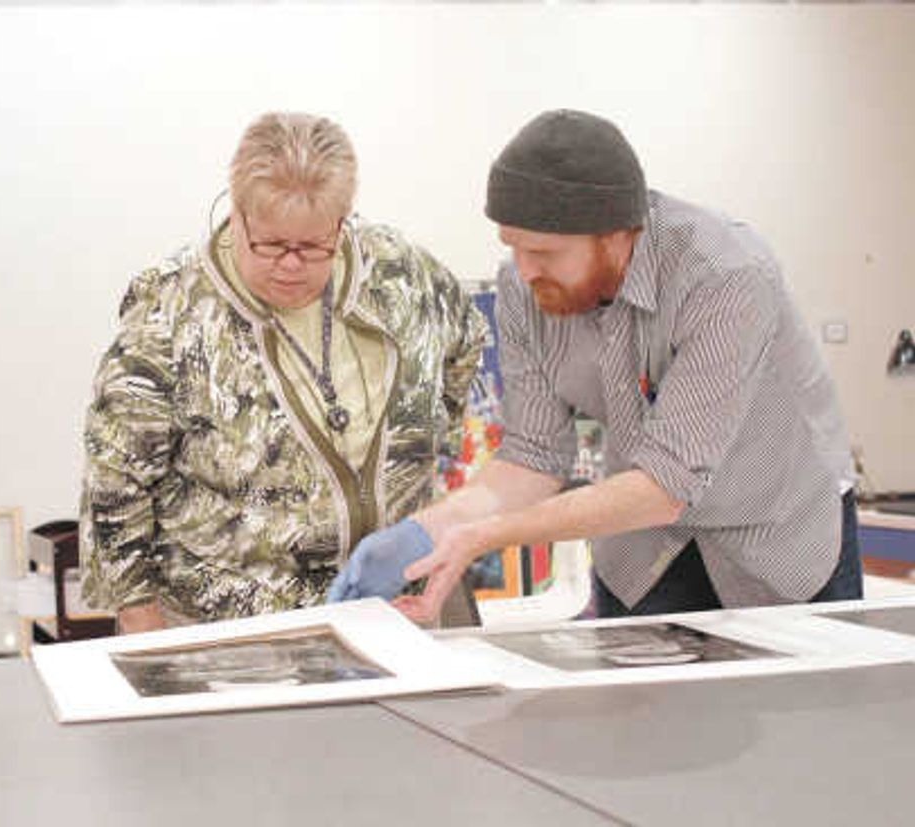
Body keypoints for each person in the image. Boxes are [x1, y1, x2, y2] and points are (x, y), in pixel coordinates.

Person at [329, 109, 860, 620]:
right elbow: (533, 458)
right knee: (641, 711)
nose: (524, 270)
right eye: (514, 247)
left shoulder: (726, 277)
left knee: (792, 710)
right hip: (647, 554)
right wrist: (427, 531)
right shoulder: (523, 291)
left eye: (545, 252)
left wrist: (483, 536)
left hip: (775, 536)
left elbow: (664, 487)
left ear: (616, 234)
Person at [81, 111, 486, 633]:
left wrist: (425, 453)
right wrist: (141, 624)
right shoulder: (172, 307)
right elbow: (116, 476)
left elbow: (465, 346)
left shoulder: (403, 276)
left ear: (343, 221)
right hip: (228, 634)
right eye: (271, 244)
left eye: (314, 245)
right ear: (237, 214)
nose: (291, 264)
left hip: (393, 616)